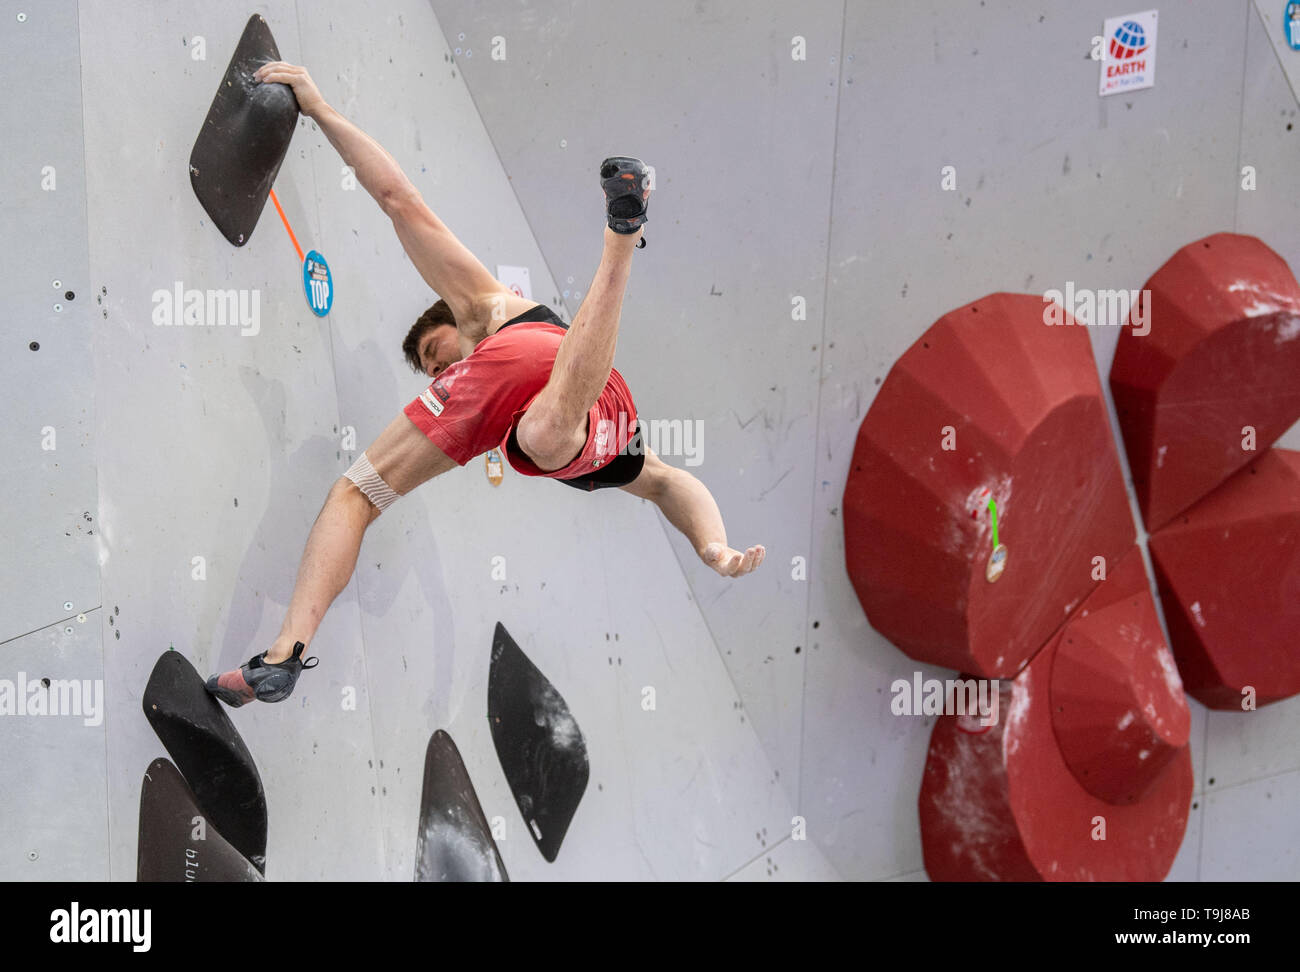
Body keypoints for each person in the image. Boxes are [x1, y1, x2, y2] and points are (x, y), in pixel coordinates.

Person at [208, 63, 764, 708]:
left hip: (541, 375)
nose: (438, 371)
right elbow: (668, 482)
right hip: (562, 392)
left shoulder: (483, 308)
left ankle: (286, 651)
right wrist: (713, 545)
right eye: (432, 371)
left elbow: (401, 201)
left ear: (453, 322)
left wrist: (325, 110)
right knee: (488, 451)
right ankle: (280, 661)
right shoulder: (607, 459)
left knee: (514, 441)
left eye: (435, 354)